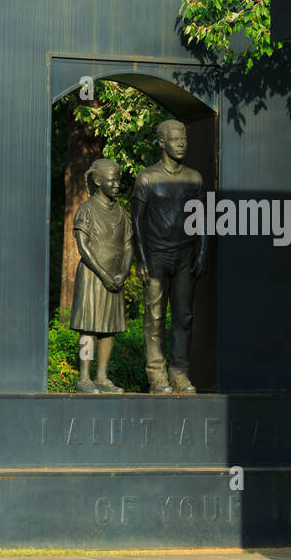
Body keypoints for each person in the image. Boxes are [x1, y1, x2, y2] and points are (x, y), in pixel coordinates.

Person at [132, 118, 206, 393]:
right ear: (161, 143)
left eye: (184, 138)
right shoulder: (147, 177)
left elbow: (202, 219)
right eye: (176, 139)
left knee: (183, 317)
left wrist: (202, 253)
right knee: (154, 318)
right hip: (155, 256)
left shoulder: (194, 178)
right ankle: (156, 375)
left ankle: (179, 373)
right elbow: (136, 221)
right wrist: (141, 258)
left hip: (186, 255)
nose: (182, 144)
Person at [70, 158, 133, 393]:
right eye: (111, 180)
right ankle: (84, 378)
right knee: (89, 328)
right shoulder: (86, 209)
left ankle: (102, 377)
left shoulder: (121, 212)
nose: (116, 184)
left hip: (115, 278)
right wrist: (104, 274)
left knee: (109, 328)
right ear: (97, 181)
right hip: (92, 276)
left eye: (118, 180)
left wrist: (123, 273)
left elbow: (128, 246)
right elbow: (83, 247)